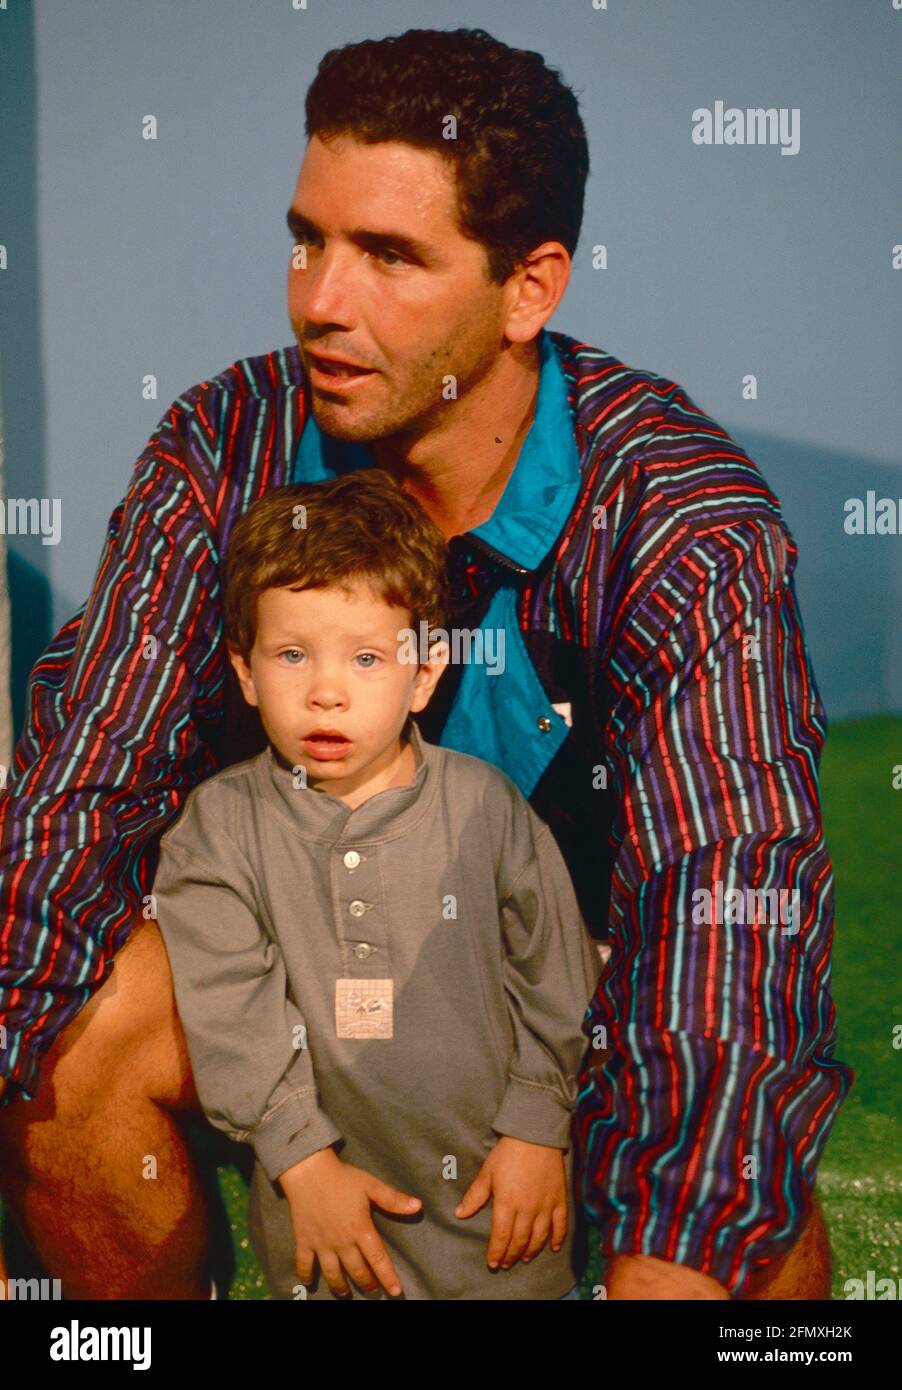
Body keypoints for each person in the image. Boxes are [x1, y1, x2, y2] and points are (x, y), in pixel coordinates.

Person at [0, 26, 852, 1300]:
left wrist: (669, 1229)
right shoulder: (226, 448)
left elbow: (724, 930)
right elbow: (78, 797)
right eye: (310, 238)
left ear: (528, 289)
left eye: (389, 256)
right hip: (298, 974)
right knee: (79, 1033)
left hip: (570, 1004)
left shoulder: (681, 523)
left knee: (742, 1222)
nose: (319, 301)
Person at [151, 469, 601, 1300]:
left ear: (425, 675)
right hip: (330, 1234)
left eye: (366, 658)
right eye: (292, 656)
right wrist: (303, 1162)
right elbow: (229, 1009)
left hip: (503, 1223)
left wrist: (539, 1129)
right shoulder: (219, 829)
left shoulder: (485, 808)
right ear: (246, 674)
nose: (326, 691)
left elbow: (555, 976)